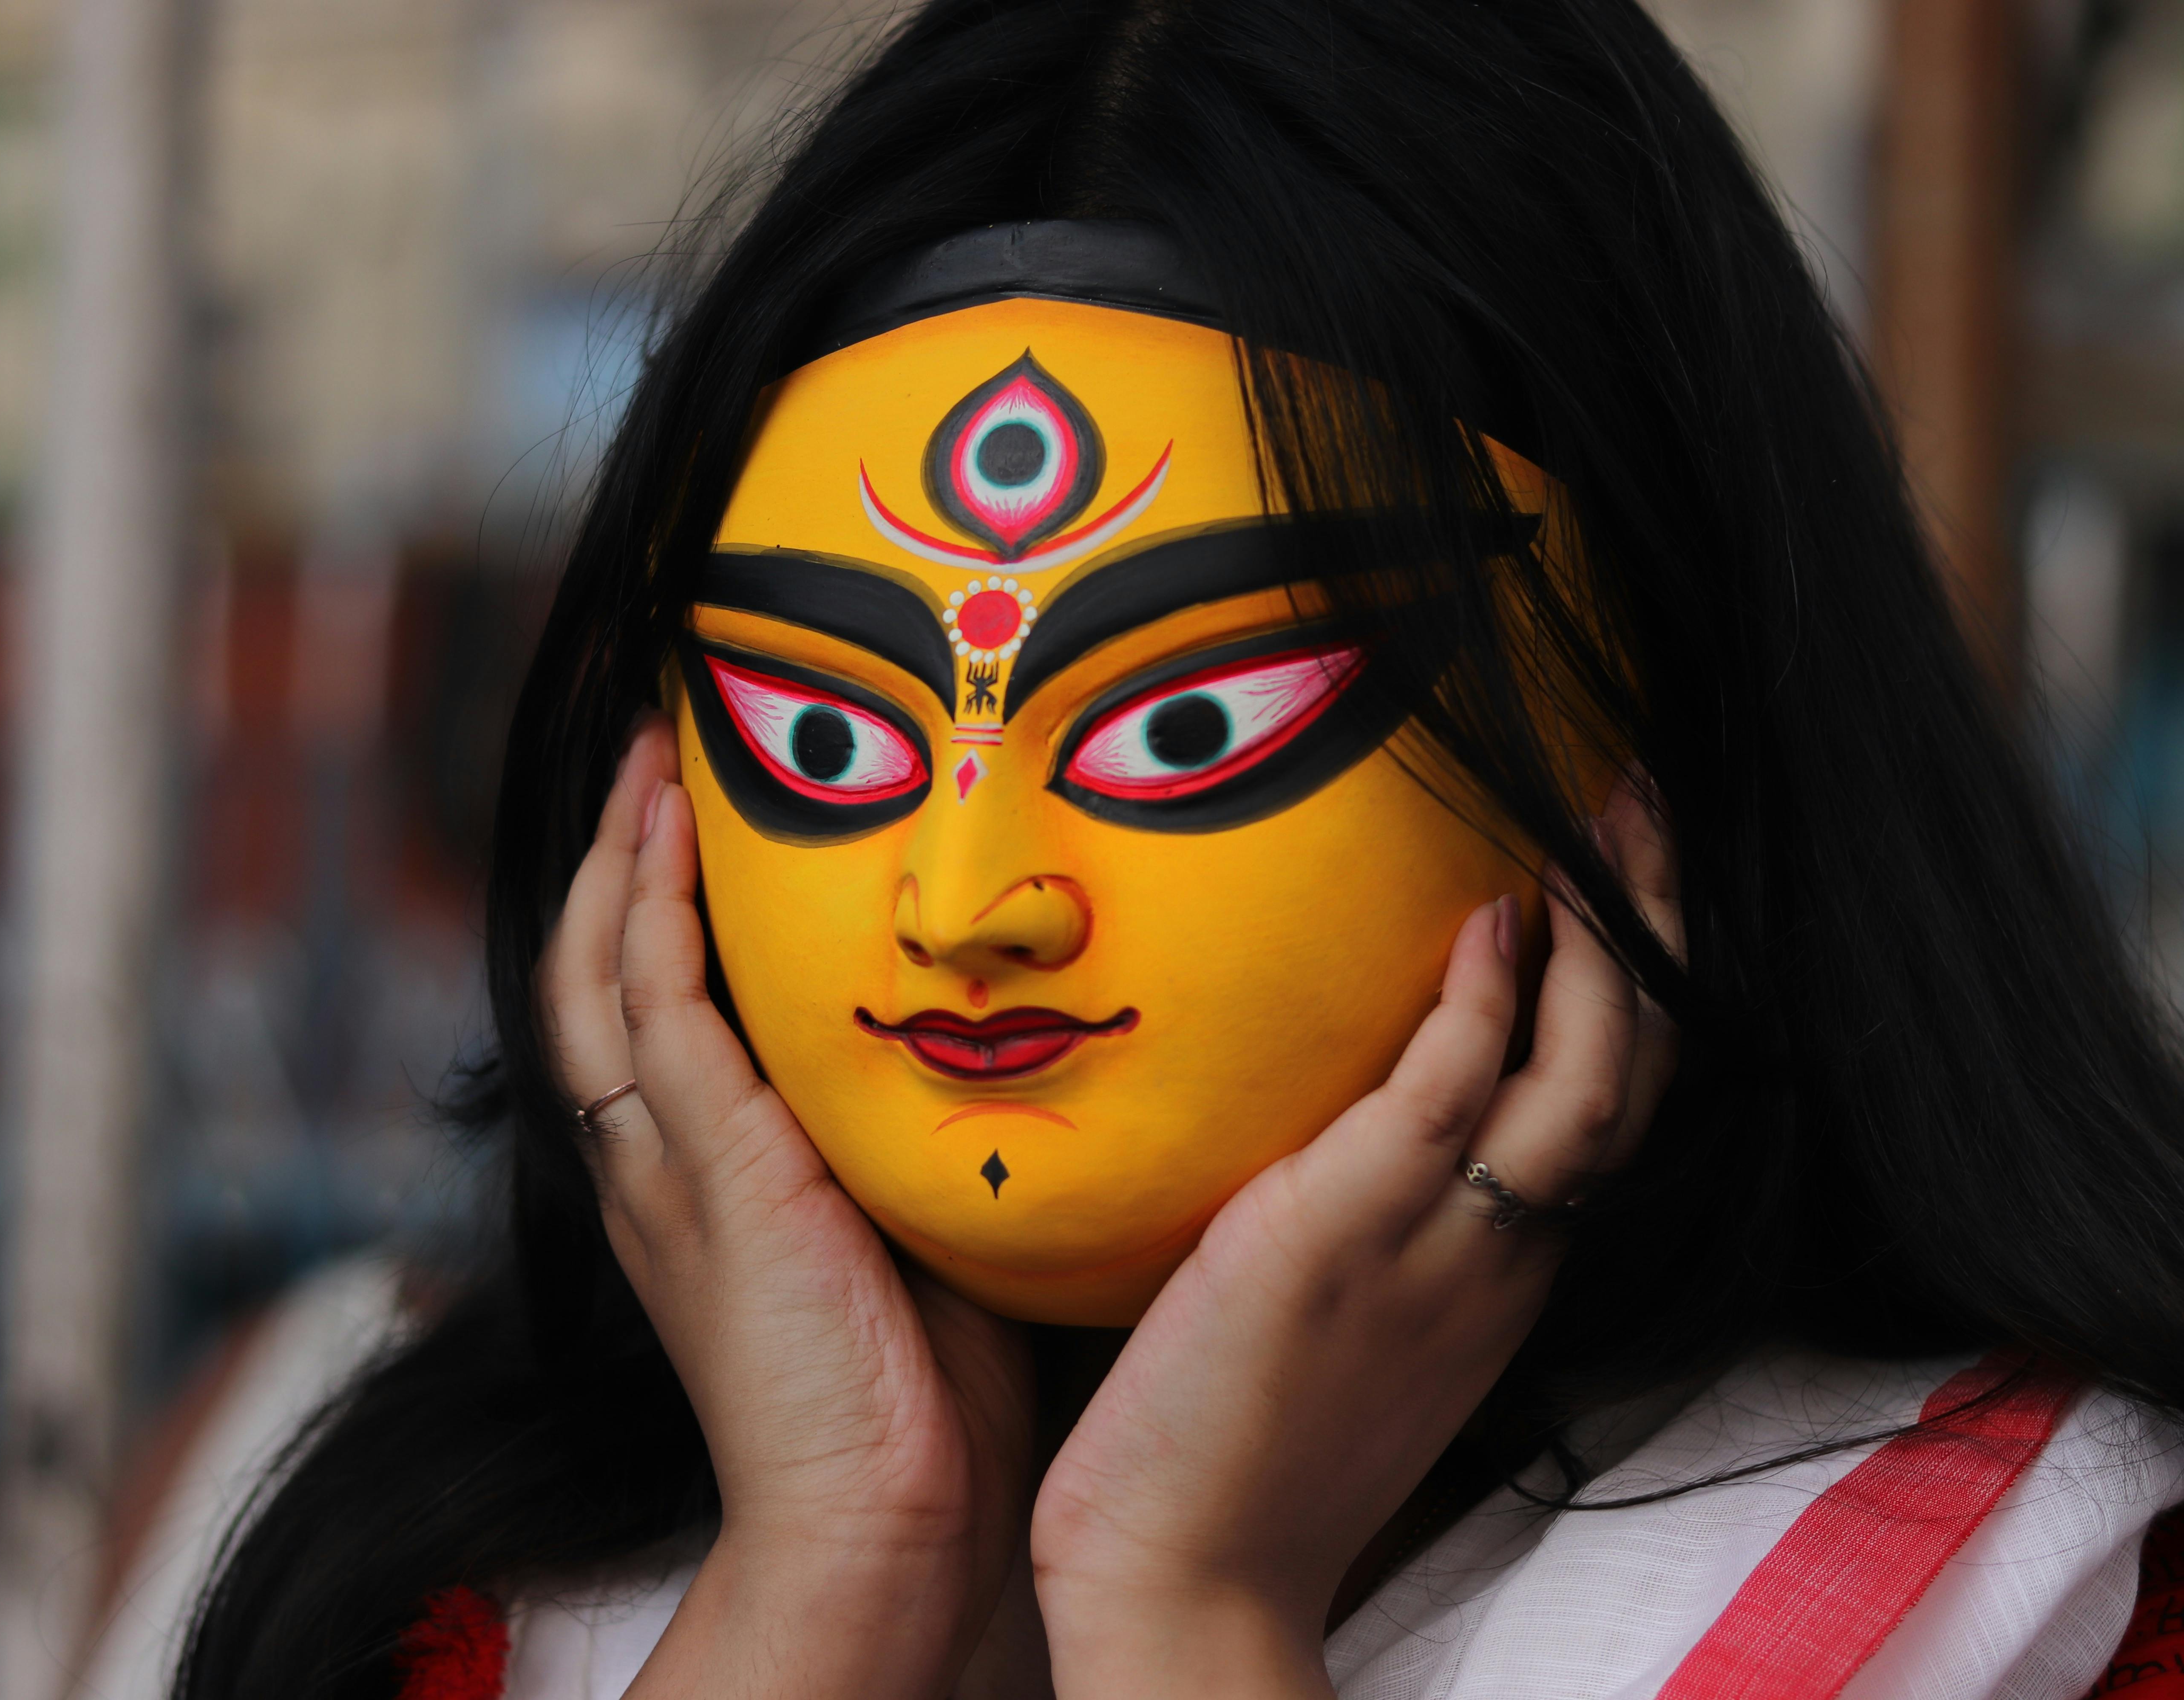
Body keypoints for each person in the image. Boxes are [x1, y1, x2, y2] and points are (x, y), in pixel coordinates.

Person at [171, 2, 2184, 1696]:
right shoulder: (462, 1613)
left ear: (1641, 778)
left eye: (1194, 726)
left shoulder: (2064, 1605)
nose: (968, 910)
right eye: (825, 734)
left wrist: (1186, 1610)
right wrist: (834, 1561)